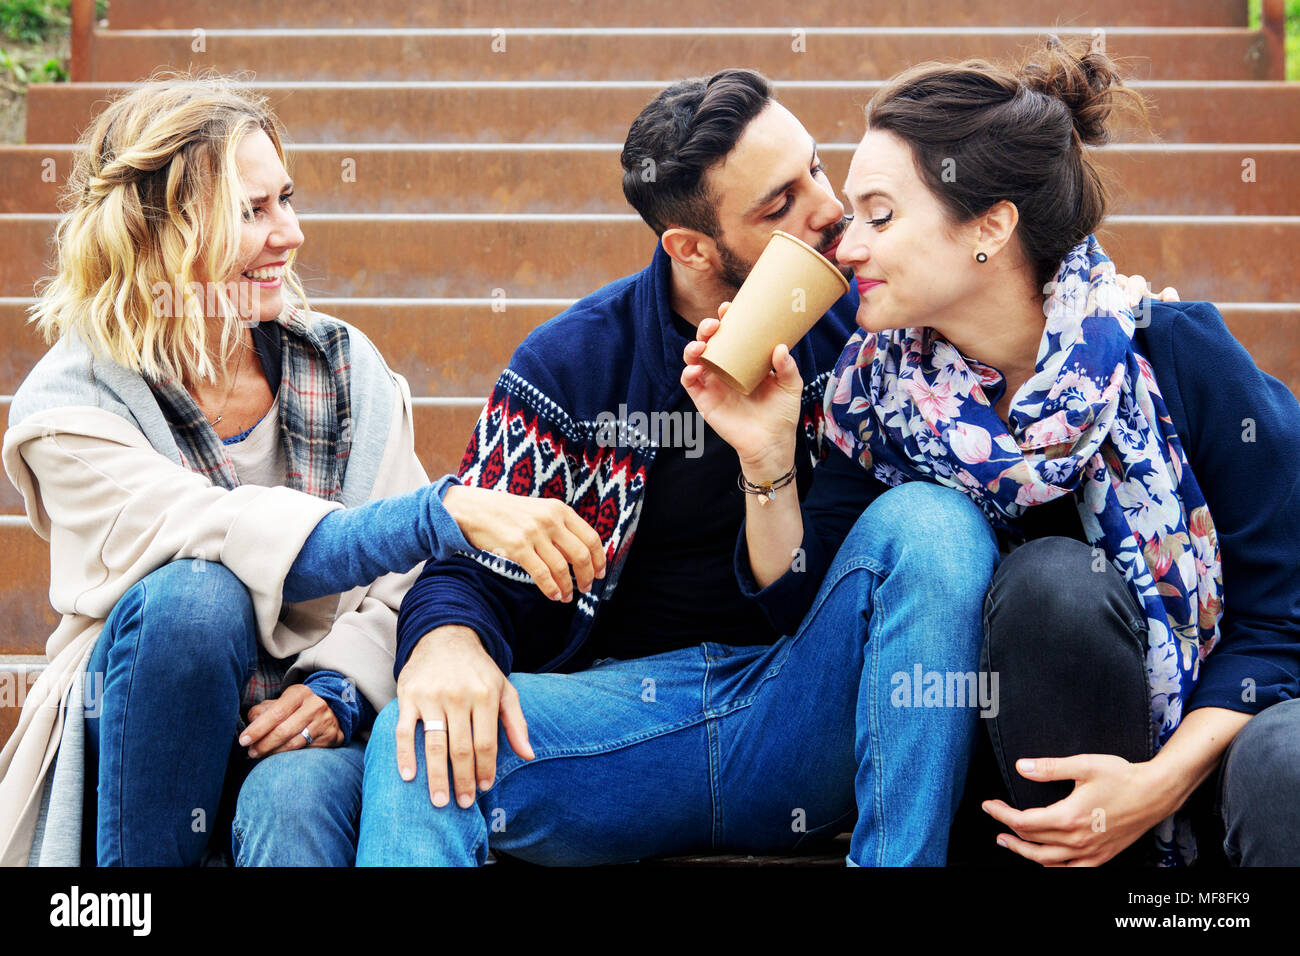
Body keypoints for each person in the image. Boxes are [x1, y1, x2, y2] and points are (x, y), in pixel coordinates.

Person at [355, 68, 1163, 867]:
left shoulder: (878, 327)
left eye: (814, 166)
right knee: (415, 737)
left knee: (932, 522)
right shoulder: (577, 364)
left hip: (818, 703)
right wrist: (448, 639)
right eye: (780, 204)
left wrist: (769, 456)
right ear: (692, 248)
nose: (830, 211)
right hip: (631, 723)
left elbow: (1017, 335)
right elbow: (469, 558)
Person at [684, 42, 1300, 866]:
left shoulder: (1177, 354)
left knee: (1285, 763)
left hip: (1218, 743)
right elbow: (804, 609)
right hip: (1025, 795)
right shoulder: (879, 403)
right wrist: (765, 459)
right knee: (1051, 588)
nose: (848, 246)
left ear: (990, 227)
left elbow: (1279, 620)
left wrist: (1159, 783)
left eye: (880, 214)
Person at [0, 75, 604, 867]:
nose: (290, 233)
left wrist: (337, 688)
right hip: (148, 714)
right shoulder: (73, 403)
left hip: (313, 720)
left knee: (296, 798)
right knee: (194, 597)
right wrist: (443, 510)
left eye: (286, 198)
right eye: (251, 212)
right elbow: (229, 530)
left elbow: (406, 582)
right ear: (157, 235)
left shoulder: (343, 363)